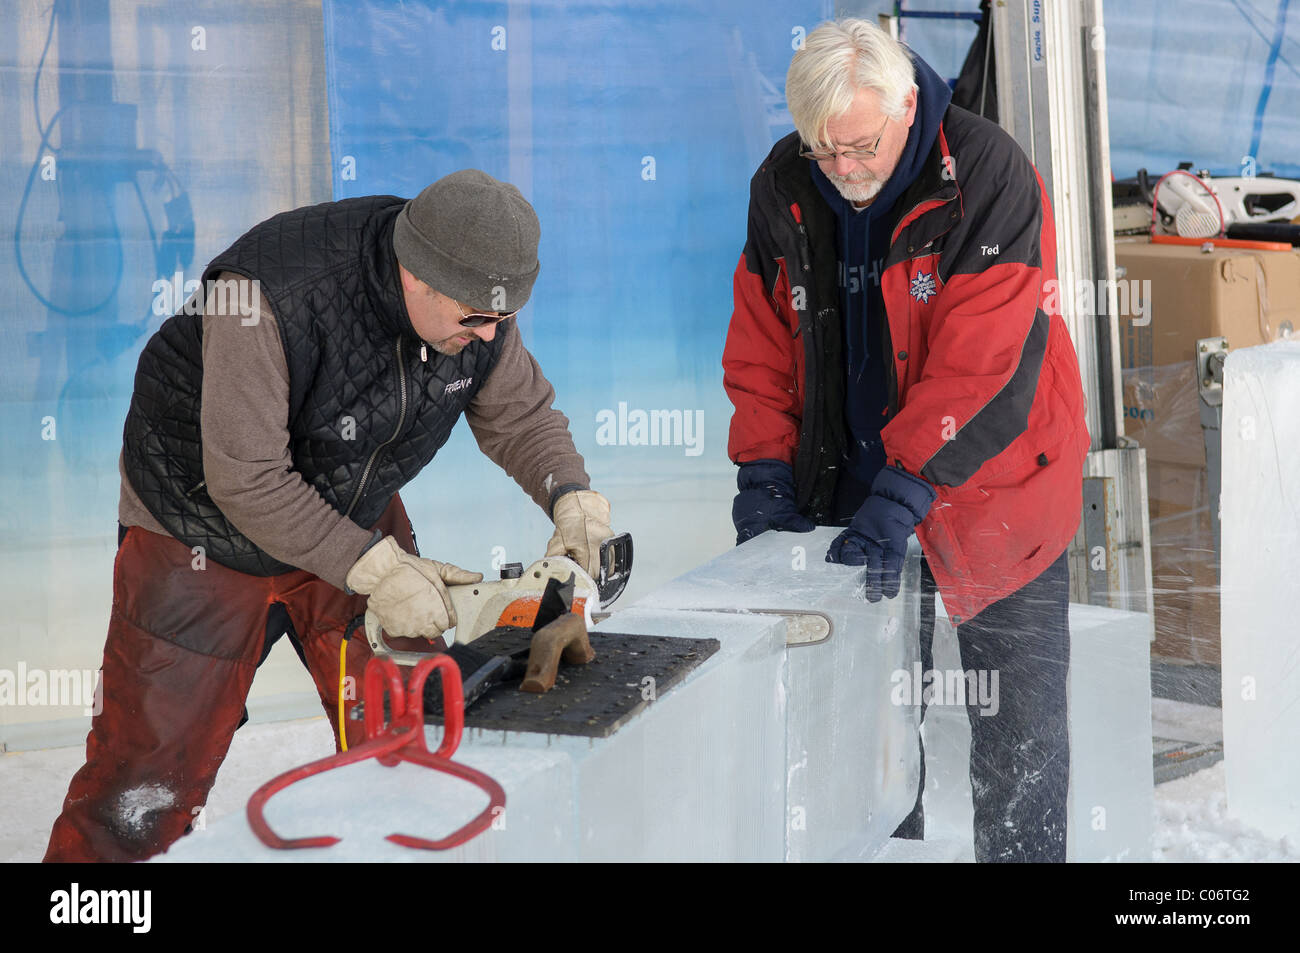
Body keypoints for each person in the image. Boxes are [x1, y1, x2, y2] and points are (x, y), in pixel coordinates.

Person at [46, 169, 613, 862]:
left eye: (504, 318)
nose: (491, 333)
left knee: (409, 737)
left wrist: (570, 493)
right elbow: (248, 480)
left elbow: (519, 415)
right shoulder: (264, 297)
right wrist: (373, 565)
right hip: (199, 528)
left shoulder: (478, 305)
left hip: (348, 510)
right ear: (418, 277)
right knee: (140, 791)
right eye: (477, 318)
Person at [723, 19, 1090, 862]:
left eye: (860, 146)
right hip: (853, 497)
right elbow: (761, 343)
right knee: (871, 738)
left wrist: (910, 485)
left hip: (998, 491)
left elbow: (986, 361)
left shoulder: (987, 172)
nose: (844, 169)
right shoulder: (784, 183)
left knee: (1019, 738)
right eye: (825, 151)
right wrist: (766, 471)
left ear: (906, 104)